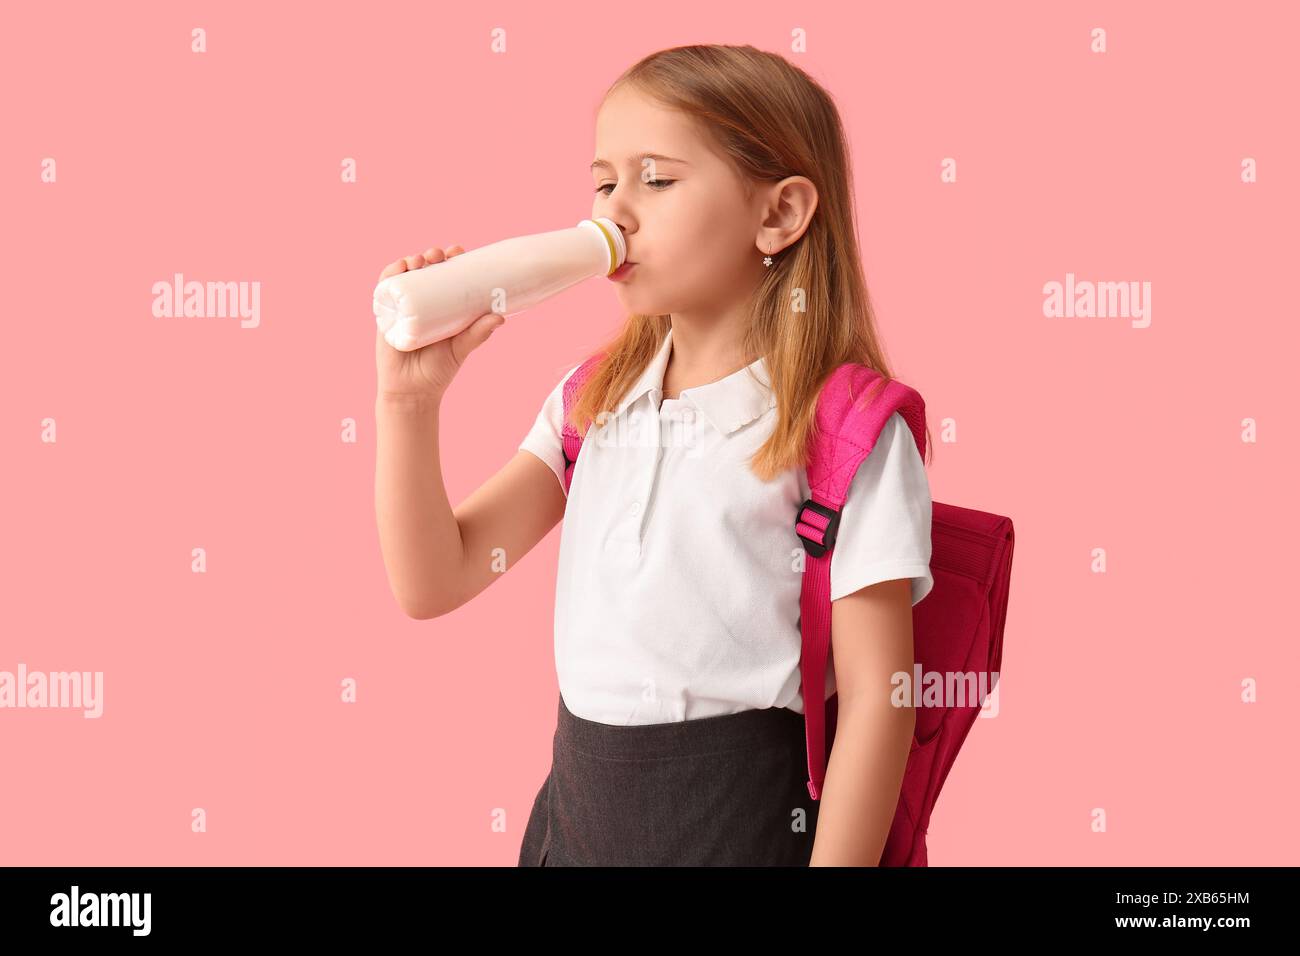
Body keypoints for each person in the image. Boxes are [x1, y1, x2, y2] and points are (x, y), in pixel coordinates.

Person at [374, 44, 933, 867]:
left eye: (657, 180)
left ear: (778, 215)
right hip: (580, 815)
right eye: (604, 182)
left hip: (739, 821)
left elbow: (883, 706)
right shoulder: (591, 400)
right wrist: (408, 404)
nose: (614, 214)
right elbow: (436, 578)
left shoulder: (843, 428)